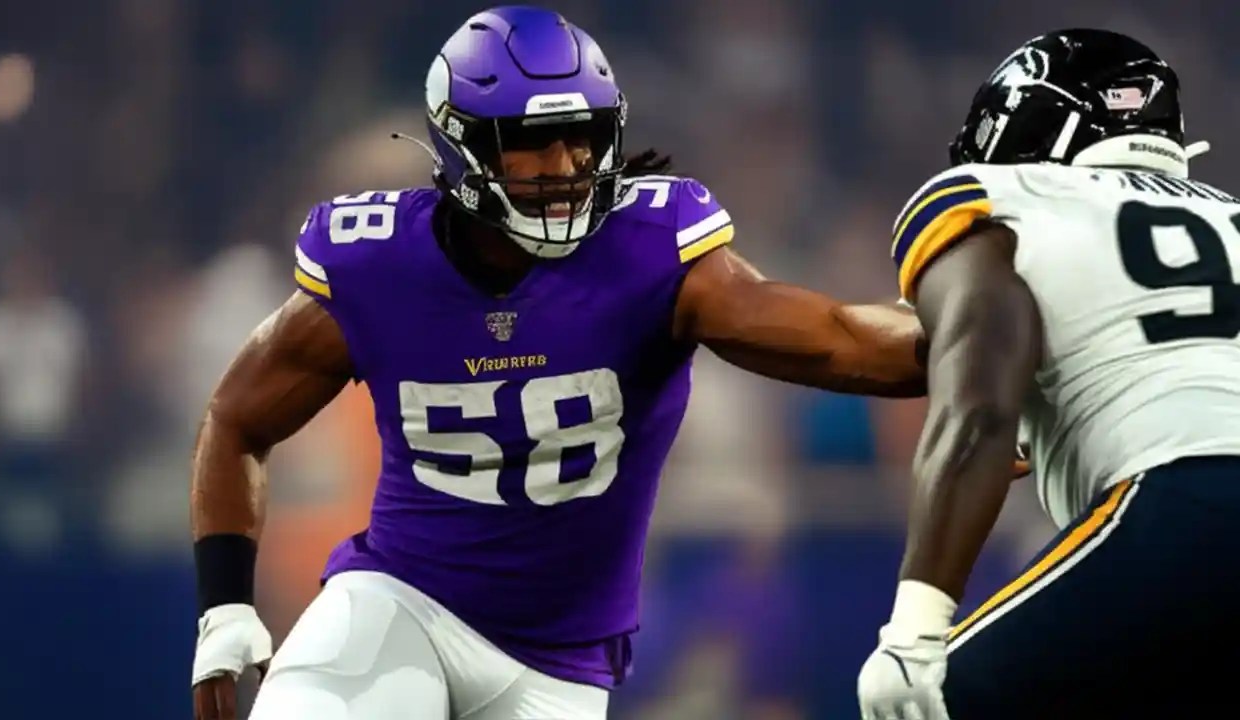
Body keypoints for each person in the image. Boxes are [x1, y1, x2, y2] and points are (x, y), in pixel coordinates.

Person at [190, 6, 926, 720]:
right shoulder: (378, 263)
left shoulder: (651, 254)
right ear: (464, 144)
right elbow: (236, 418)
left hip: (560, 660)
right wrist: (224, 601)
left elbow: (834, 336)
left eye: (582, 138)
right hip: (399, 604)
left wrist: (975, 359)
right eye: (534, 142)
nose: (567, 166)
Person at [857, 28, 1240, 719]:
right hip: (1195, 512)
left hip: (1190, 499)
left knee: (924, 704)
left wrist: (914, 631)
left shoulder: (1005, 193)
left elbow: (978, 407)